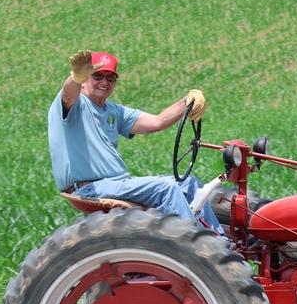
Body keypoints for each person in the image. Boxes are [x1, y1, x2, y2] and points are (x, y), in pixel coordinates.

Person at [47, 50, 222, 232]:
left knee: (190, 183)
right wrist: (75, 77)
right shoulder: (75, 104)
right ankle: (192, 242)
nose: (104, 82)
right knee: (167, 188)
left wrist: (187, 102)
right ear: (85, 78)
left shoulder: (113, 111)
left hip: (118, 183)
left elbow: (158, 122)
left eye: (110, 78)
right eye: (97, 76)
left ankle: (219, 240)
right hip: (91, 187)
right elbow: (68, 95)